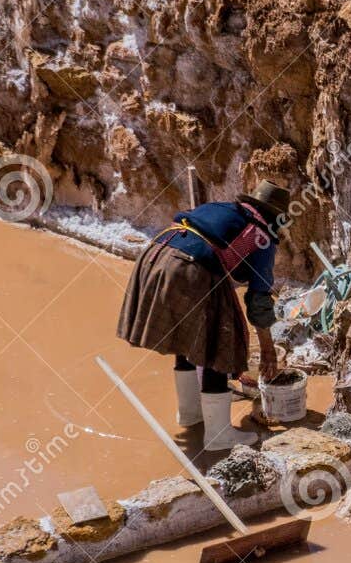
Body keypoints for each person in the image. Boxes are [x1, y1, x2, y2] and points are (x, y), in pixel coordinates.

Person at [117, 180, 292, 449]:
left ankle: (190, 414)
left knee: (188, 338)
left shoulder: (224, 210)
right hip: (191, 267)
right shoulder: (262, 234)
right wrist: (268, 349)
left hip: (155, 256)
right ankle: (218, 434)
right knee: (218, 342)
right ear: (277, 218)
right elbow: (258, 301)